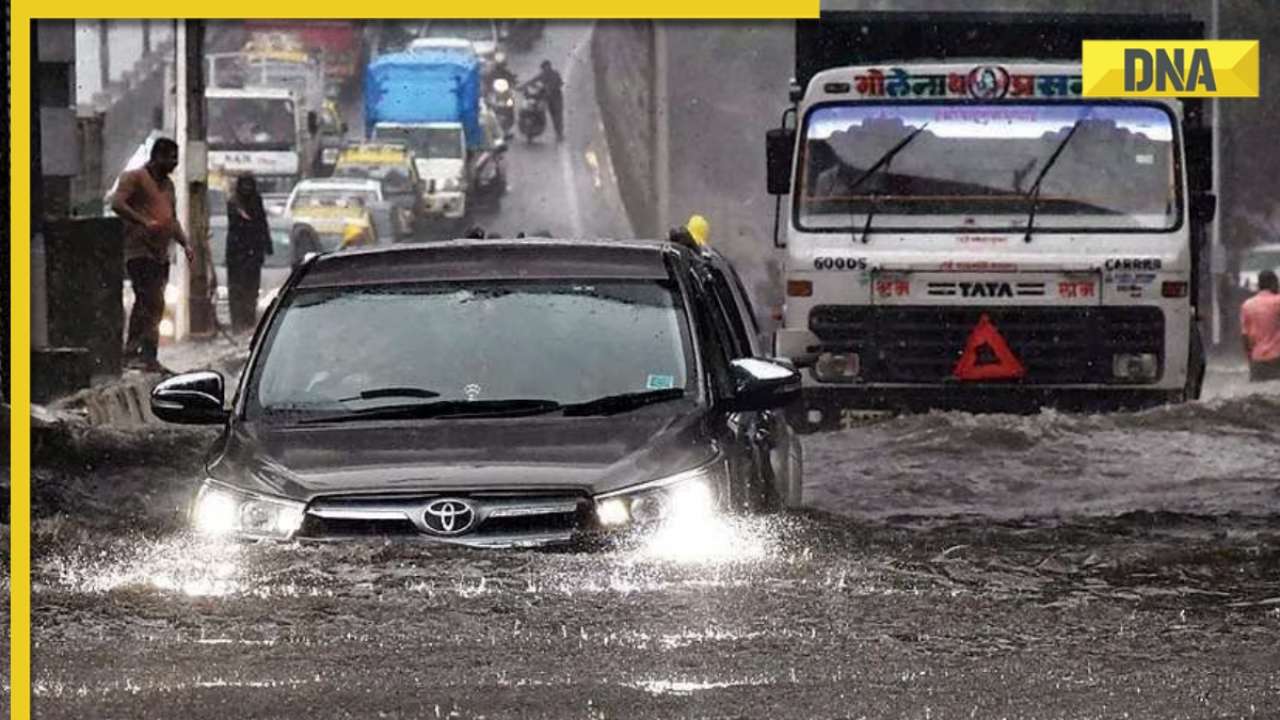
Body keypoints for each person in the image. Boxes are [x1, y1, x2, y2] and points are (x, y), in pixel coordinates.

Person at [110, 137, 194, 373]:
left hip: (160, 253)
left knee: (157, 304)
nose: (174, 162)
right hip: (138, 250)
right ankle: (132, 352)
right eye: (170, 157)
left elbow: (172, 218)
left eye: (176, 158)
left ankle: (149, 355)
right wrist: (143, 221)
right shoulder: (134, 177)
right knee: (146, 299)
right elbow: (117, 203)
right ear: (157, 157)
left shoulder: (168, 185)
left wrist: (185, 243)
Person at [225, 175, 273, 334]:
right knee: (237, 291)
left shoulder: (256, 201)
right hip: (237, 255)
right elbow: (239, 225)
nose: (246, 189)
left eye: (249, 185)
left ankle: (248, 322)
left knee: (251, 292)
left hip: (253, 255)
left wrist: (267, 245)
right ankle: (238, 324)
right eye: (243, 185)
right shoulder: (234, 203)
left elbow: (262, 223)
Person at [1241, 269, 1280, 382]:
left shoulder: (1247, 305)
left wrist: (1251, 360)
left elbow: (1244, 336)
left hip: (1257, 360)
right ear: (1273, 283)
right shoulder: (1278, 301)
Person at [521, 60, 565, 142]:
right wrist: (523, 87)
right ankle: (558, 134)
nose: (545, 69)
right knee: (540, 111)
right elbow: (533, 81)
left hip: (556, 98)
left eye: (546, 67)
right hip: (547, 98)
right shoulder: (543, 75)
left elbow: (560, 83)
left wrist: (550, 89)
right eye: (544, 68)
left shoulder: (555, 75)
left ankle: (559, 134)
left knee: (556, 117)